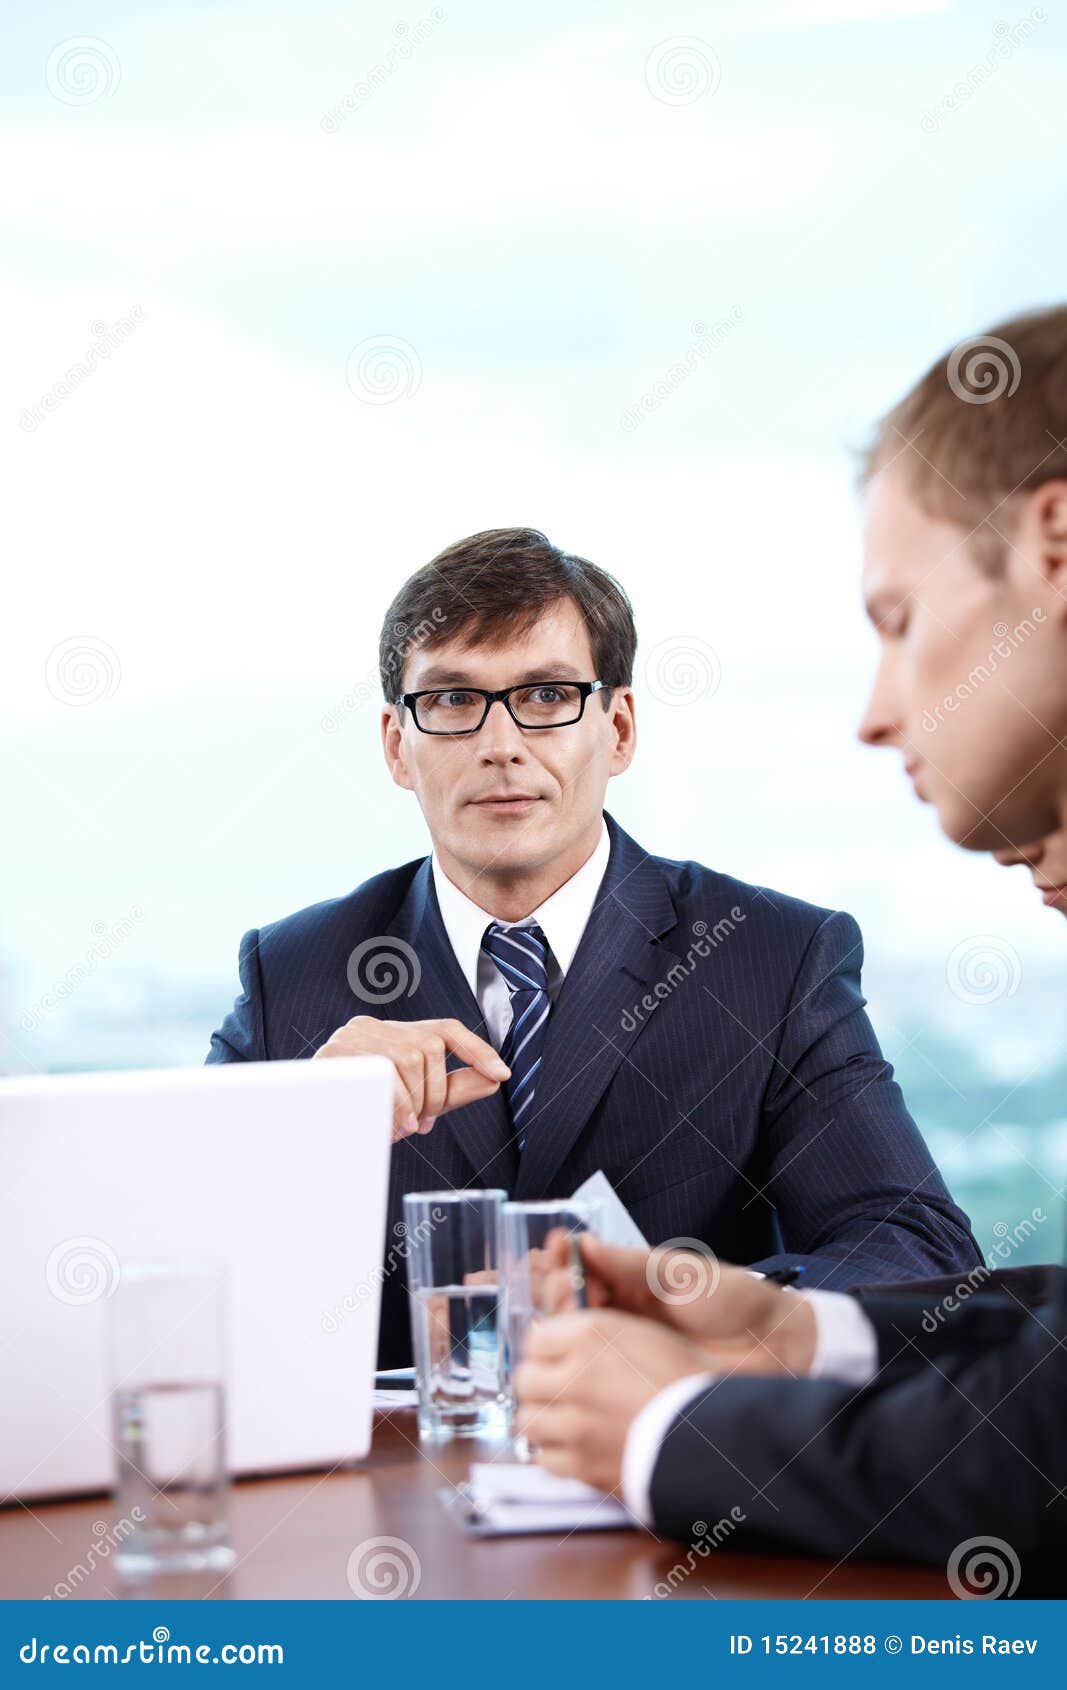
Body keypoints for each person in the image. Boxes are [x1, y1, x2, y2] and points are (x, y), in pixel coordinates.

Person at [515, 305, 1067, 1581]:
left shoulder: (776, 953)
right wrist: (801, 1337)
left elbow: (1036, 1453)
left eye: (894, 616)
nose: (874, 716)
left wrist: (667, 1425)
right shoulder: (305, 968)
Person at [206, 527, 977, 1366]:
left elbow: (918, 1251)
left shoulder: (771, 958)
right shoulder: (294, 977)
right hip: (396, 1484)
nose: (500, 744)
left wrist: (702, 1317)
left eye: (544, 696)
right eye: (454, 701)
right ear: (398, 745)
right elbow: (172, 1261)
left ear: (617, 728)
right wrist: (304, 1129)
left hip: (679, 1473)